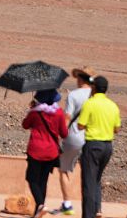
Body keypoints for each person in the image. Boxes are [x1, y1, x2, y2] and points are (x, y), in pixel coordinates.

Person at [53, 66, 95, 216]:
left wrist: (59, 136)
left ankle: (67, 204)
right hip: (92, 139)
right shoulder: (96, 96)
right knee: (91, 175)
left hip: (73, 137)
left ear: (80, 78)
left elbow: (67, 118)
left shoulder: (74, 95)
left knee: (64, 170)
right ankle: (95, 208)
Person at [76, 75, 119, 218]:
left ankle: (89, 215)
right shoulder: (113, 105)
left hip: (93, 145)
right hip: (107, 147)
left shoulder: (90, 103)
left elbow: (80, 125)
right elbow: (116, 129)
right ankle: (96, 209)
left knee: (88, 183)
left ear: (94, 88)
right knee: (96, 179)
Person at [22, 89, 68, 218]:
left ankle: (41, 205)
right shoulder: (58, 112)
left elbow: (25, 125)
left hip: (36, 150)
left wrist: (31, 109)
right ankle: (39, 210)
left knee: (32, 179)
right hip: (51, 152)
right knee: (43, 180)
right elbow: (64, 133)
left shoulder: (35, 112)